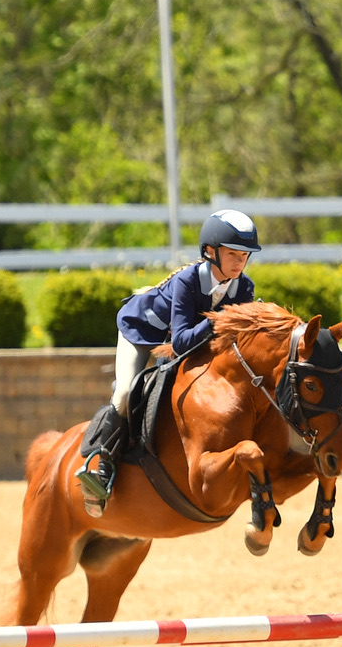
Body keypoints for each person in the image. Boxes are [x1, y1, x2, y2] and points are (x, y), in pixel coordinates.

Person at [77, 209, 260, 501]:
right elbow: (181, 342)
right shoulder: (187, 281)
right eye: (232, 254)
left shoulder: (244, 287)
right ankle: (101, 465)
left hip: (176, 340)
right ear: (210, 251)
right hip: (141, 331)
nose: (240, 262)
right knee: (125, 391)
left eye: (244, 255)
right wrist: (220, 318)